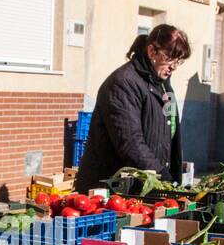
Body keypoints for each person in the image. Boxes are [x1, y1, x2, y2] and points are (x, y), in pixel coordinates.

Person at [74, 25, 190, 194]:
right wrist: (161, 175)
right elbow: (130, 142)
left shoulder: (164, 85)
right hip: (113, 190)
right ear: (152, 52)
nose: (174, 67)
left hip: (146, 186)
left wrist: (173, 176)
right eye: (170, 58)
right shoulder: (123, 83)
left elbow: (170, 129)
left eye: (179, 61)